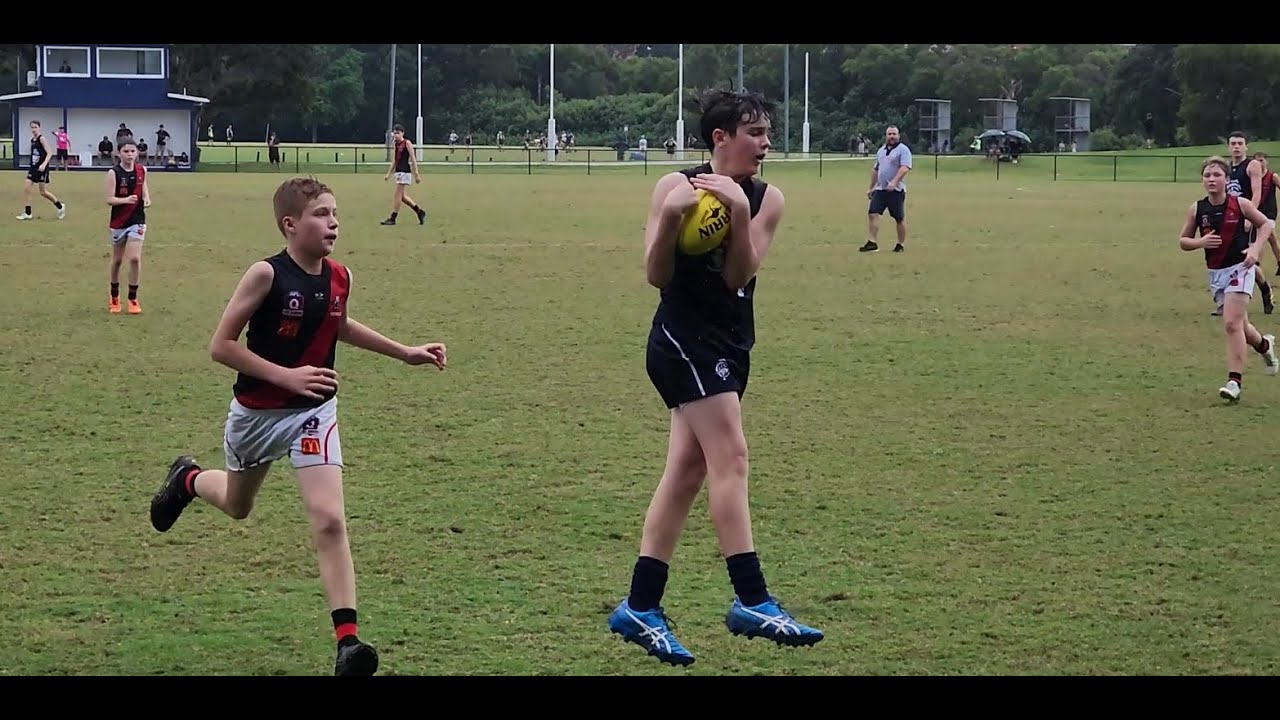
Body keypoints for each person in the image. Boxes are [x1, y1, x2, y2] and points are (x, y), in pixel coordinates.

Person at [148, 177, 449, 675]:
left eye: (335, 213)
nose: (334, 223)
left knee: (329, 519)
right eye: (321, 214)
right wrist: (285, 375)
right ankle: (189, 479)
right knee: (238, 505)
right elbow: (221, 346)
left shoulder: (340, 277)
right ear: (290, 225)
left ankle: (348, 643)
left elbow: (340, 326)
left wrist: (405, 352)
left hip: (313, 411)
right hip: (256, 415)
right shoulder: (265, 275)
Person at [607, 89, 824, 667]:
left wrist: (740, 212)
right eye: (755, 133)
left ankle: (639, 606)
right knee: (732, 455)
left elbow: (737, 277)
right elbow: (656, 274)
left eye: (767, 132)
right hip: (682, 340)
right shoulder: (673, 186)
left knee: (687, 471)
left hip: (731, 341)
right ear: (720, 138)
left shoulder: (768, 198)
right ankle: (752, 598)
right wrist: (672, 218)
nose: (766, 143)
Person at [1179, 156, 1279, 402]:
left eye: (1217, 175)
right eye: (1207, 175)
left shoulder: (1240, 204)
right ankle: (1265, 346)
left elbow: (1266, 225)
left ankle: (1234, 382)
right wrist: (1200, 242)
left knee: (1231, 324)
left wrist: (1255, 249)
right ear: (1202, 181)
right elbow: (1183, 241)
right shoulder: (1197, 209)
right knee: (1241, 327)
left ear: (1227, 179)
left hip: (1241, 267)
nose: (1211, 179)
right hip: (1216, 273)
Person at [1220, 132, 1277, 315]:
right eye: (1233, 143)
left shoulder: (1252, 165)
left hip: (1246, 218)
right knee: (1225, 257)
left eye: (1240, 143)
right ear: (1228, 147)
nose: (1236, 147)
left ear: (1246, 146)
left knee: (1245, 258)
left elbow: (1257, 192)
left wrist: (1248, 217)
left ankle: (1261, 290)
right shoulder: (1226, 167)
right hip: (1228, 219)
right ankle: (1262, 290)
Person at [105, 139, 150, 314]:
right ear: (119, 153)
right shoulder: (113, 173)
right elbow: (109, 199)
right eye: (126, 151)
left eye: (132, 151)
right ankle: (114, 296)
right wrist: (126, 200)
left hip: (137, 220)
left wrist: (146, 198)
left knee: (135, 258)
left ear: (137, 153)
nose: (130, 154)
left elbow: (144, 189)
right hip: (119, 222)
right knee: (117, 261)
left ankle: (133, 298)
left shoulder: (142, 171)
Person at [858, 125, 912, 253]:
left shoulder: (903, 150)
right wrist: (870, 187)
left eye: (894, 134)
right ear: (886, 136)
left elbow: (905, 167)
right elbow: (876, 169)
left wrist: (894, 182)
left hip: (896, 190)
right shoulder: (881, 151)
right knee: (873, 213)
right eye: (889, 134)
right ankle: (872, 242)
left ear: (898, 136)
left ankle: (900, 244)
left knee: (899, 218)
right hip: (880, 189)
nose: (892, 136)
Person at [16, 120, 66, 221]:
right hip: (33, 168)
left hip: (42, 169)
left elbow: (49, 152)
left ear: (39, 128)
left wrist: (43, 164)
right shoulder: (32, 140)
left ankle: (60, 206)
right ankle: (28, 213)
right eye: (32, 127)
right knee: (26, 188)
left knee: (43, 192)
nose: (33, 129)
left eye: (35, 127)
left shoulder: (42, 139)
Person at [381, 124, 427, 226]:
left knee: (397, 195)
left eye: (398, 133)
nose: (396, 135)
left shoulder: (407, 143)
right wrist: (389, 173)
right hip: (398, 171)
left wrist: (416, 173)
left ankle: (393, 218)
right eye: (394, 133)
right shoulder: (396, 144)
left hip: (404, 171)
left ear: (402, 133)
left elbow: (413, 158)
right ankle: (419, 212)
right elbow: (395, 160)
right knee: (402, 197)